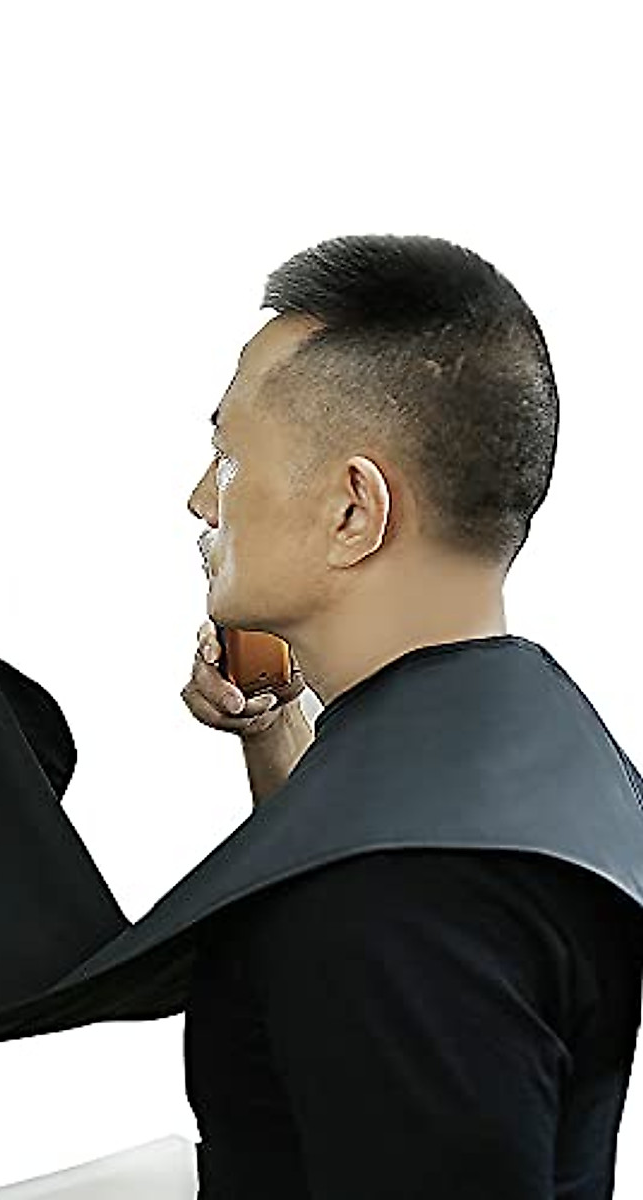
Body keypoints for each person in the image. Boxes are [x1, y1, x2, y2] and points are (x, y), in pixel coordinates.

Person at [178, 234, 642, 1197]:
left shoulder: (395, 899)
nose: (198, 502)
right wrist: (275, 731)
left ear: (354, 511)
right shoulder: (537, 753)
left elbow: (363, 910)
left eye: (226, 459)